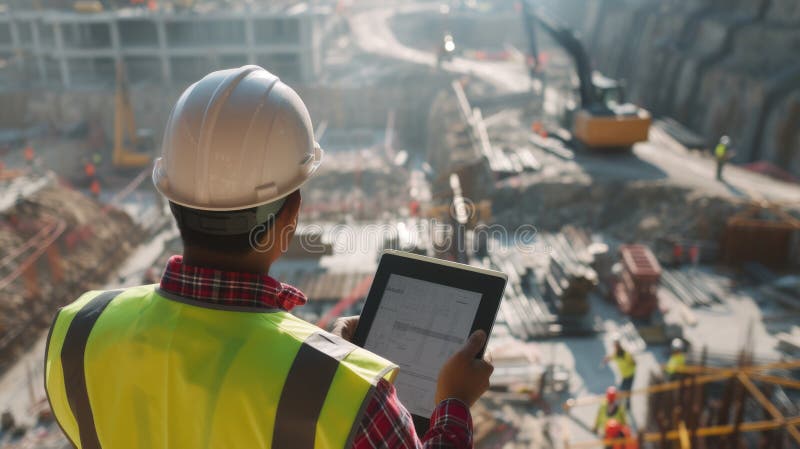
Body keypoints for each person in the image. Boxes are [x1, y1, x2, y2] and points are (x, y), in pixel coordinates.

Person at [44, 65, 493, 449]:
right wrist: (452, 401)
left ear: (172, 199)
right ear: (291, 215)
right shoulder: (359, 399)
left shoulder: (77, 332)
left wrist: (328, 357)